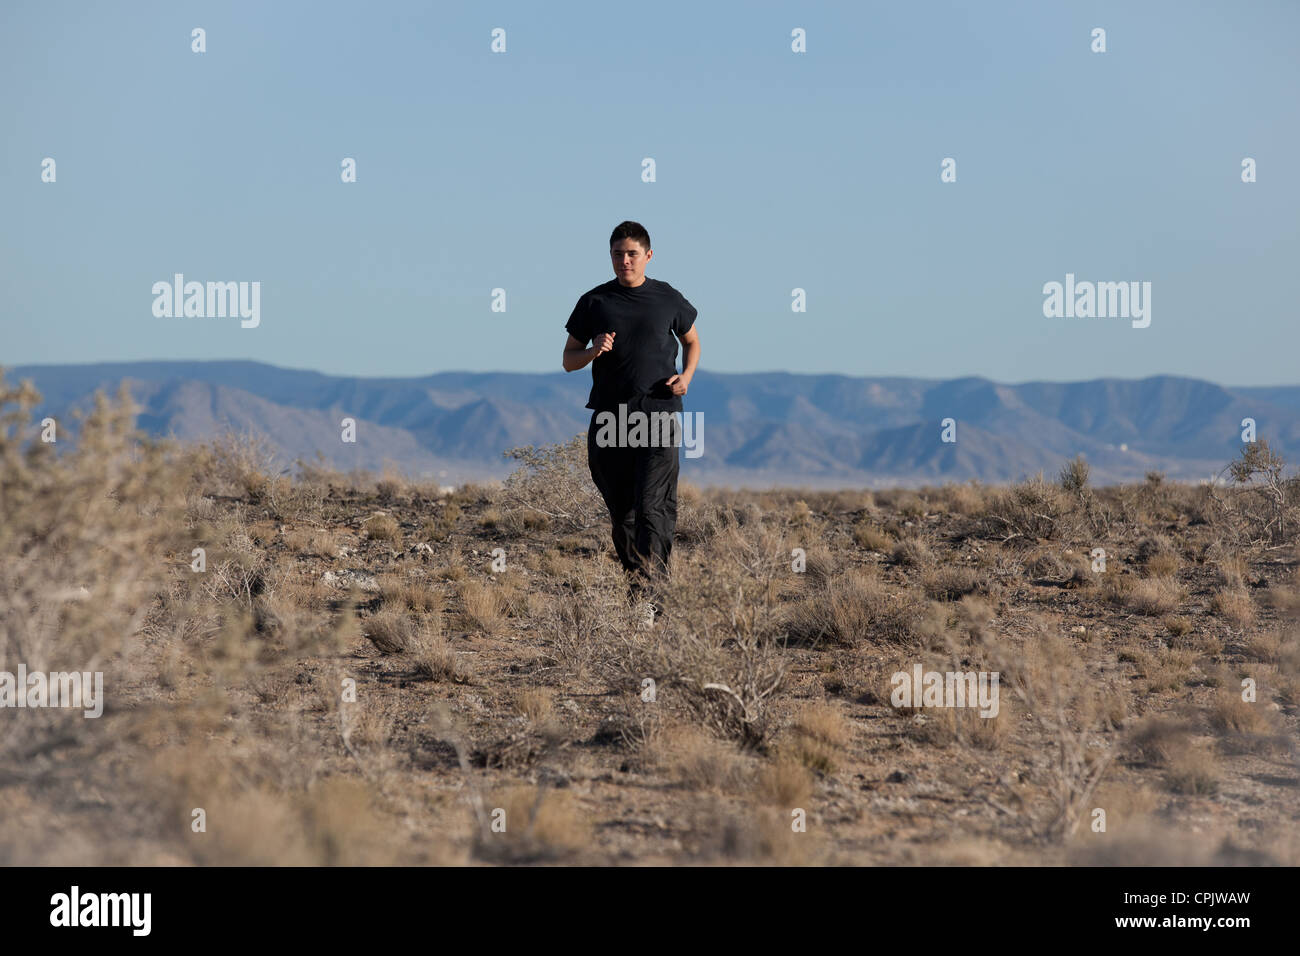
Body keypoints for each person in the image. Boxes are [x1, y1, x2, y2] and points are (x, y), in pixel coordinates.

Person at [561, 221, 701, 623]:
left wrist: (686, 378)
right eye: (617, 254)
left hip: (659, 415)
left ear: (648, 256)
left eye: (631, 253)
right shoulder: (595, 302)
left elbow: (692, 341)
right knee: (622, 514)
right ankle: (640, 586)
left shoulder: (667, 298)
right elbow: (568, 359)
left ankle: (649, 605)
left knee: (652, 508)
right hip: (610, 420)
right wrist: (593, 351)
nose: (624, 260)